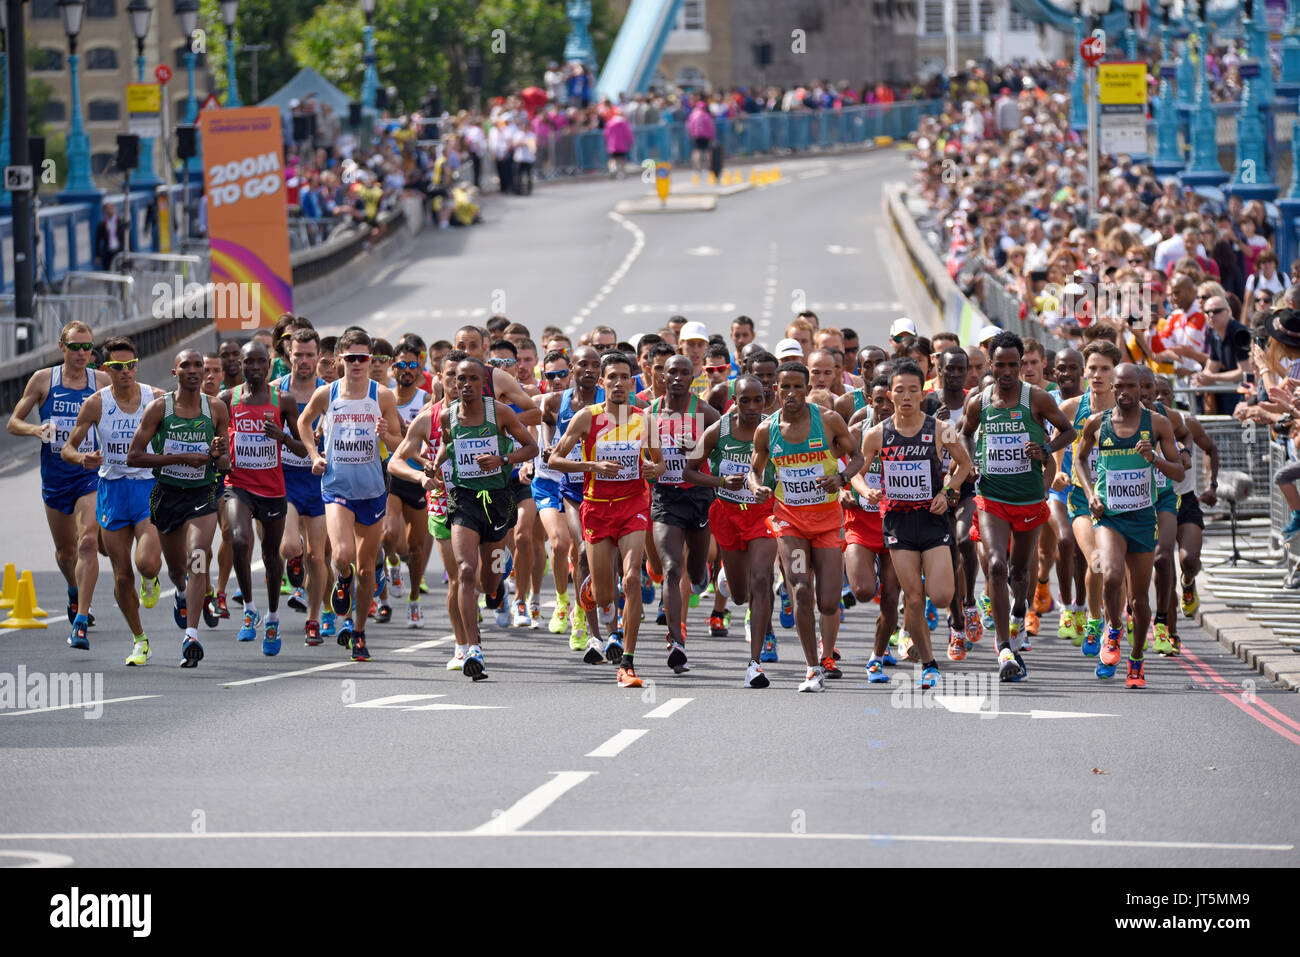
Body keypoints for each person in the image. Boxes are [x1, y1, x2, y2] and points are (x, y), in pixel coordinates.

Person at [960, 331, 1075, 682]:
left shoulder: (1036, 399)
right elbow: (965, 433)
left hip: (1028, 497)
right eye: (1002, 364)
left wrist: (1046, 449)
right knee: (996, 565)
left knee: (1019, 573)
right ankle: (1004, 647)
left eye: (1016, 364)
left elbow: (1069, 432)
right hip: (991, 496)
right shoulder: (979, 402)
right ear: (991, 364)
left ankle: (1020, 609)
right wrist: (973, 461)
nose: (1009, 371)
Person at [550, 352, 666, 688]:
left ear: (633, 382)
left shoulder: (645, 420)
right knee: (604, 595)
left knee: (630, 579)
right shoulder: (587, 417)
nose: (618, 383)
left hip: (633, 505)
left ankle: (626, 659)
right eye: (611, 377)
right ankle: (593, 600)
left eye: (624, 377)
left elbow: (659, 466)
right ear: (602, 382)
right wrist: (592, 467)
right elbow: (556, 459)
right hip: (596, 507)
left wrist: (652, 470)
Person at [750, 361, 862, 692]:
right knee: (800, 589)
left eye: (798, 387)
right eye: (784, 387)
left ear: (807, 387)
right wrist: (757, 486)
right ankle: (812, 667)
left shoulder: (827, 421)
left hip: (827, 523)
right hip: (790, 521)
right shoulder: (767, 429)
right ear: (776, 390)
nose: (791, 393)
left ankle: (824, 651)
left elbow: (856, 458)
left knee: (827, 602)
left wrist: (841, 478)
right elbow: (753, 469)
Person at [862, 361, 973, 685]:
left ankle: (922, 622)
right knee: (912, 597)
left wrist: (948, 491)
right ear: (890, 394)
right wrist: (866, 489)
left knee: (939, 596)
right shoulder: (876, 434)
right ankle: (929, 663)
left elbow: (964, 464)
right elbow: (857, 470)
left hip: (933, 519)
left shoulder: (941, 429)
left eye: (913, 390)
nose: (906, 396)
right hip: (898, 523)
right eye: (900, 390)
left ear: (922, 394)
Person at [298, 330, 406, 663]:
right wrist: (314, 455)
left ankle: (358, 633)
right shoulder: (326, 394)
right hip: (336, 487)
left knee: (366, 569)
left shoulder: (383, 396)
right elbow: (303, 423)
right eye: (350, 358)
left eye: (363, 358)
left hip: (373, 490)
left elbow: (400, 443)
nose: (357, 364)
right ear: (339, 360)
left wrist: (387, 436)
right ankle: (341, 580)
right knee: (342, 556)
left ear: (370, 360)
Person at [1074, 364, 1184, 688]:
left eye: (1130, 387)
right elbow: (1080, 459)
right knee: (1110, 574)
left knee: (1139, 599)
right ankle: (1112, 630)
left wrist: (1154, 460)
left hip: (1142, 518)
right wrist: (1090, 492)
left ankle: (1136, 661)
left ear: (1142, 388)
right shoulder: (1097, 423)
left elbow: (1178, 471)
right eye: (1117, 387)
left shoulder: (1158, 424)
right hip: (1109, 516)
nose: (1123, 393)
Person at [429, 358, 538, 680]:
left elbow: (531, 448)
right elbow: (450, 446)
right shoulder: (448, 417)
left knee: (489, 583)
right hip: (464, 500)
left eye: (472, 379)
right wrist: (434, 465)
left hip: (498, 501)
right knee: (464, 572)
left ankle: (500, 575)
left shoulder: (500, 413)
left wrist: (503, 459)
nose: (464, 385)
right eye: (460, 379)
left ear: (483, 383)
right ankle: (472, 648)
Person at [126, 350, 231, 667]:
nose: (194, 370)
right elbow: (135, 456)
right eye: (186, 365)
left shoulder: (216, 408)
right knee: (176, 569)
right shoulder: (159, 409)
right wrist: (180, 459)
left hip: (203, 492)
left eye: (198, 365)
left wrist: (218, 453)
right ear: (175, 372)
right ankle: (182, 592)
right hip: (167, 495)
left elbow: (224, 462)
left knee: (199, 556)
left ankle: (191, 635)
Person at [60, 336, 161, 664]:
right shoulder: (96, 404)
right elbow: (67, 447)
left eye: (131, 365)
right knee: (121, 575)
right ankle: (139, 639)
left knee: (146, 563)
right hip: (112, 491)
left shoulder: (154, 399)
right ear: (106, 369)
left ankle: (152, 578)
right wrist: (81, 459)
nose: (126, 371)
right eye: (118, 367)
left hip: (147, 489)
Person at [7, 321, 108, 635]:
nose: (82, 353)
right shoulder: (43, 380)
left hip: (88, 473)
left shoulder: (101, 380)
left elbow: (127, 410)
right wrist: (36, 429)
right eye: (75, 346)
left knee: (88, 540)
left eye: (87, 346)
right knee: (66, 551)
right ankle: (74, 590)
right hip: (55, 476)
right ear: (62, 347)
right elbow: (13, 422)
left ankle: (83, 613)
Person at [684, 375, 778, 687]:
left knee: (763, 579)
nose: (752, 407)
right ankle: (725, 577)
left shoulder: (773, 428)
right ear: (733, 401)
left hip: (764, 514)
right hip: (727, 514)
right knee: (739, 596)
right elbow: (689, 471)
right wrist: (721, 482)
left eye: (758, 400)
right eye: (744, 400)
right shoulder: (718, 431)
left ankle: (755, 663)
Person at [218, 341, 307, 656]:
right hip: (238, 485)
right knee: (239, 542)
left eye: (260, 363)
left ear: (269, 366)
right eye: (249, 363)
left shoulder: (283, 400)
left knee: (272, 557)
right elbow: (213, 440)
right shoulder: (226, 400)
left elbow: (302, 447)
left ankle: (272, 616)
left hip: (272, 489)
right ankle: (249, 609)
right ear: (240, 364)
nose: (255, 368)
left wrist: (281, 436)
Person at [648, 354, 721, 673]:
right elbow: (639, 453)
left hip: (698, 497)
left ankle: (703, 572)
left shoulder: (704, 412)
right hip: (665, 497)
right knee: (671, 567)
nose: (677, 378)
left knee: (694, 570)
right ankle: (676, 640)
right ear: (662, 376)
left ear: (693, 378)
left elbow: (725, 448)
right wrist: (650, 468)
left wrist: (696, 449)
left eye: (684, 373)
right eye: (671, 373)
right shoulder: (648, 412)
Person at [1057, 340, 1124, 655]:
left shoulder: (1128, 410)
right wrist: (1058, 469)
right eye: (1093, 368)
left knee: (1114, 568)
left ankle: (1113, 624)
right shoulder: (1072, 408)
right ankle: (1096, 619)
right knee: (1096, 561)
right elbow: (1055, 439)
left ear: (1115, 373)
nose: (1097, 375)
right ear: (1085, 371)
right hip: (1083, 500)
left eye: (1105, 369)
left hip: (1121, 502)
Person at [533, 347, 603, 648]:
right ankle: (580, 615)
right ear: (573, 368)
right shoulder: (555, 401)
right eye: (582, 365)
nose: (588, 370)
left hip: (604, 488)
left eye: (595, 365)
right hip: (572, 488)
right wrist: (549, 446)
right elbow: (547, 420)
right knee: (580, 550)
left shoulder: (608, 400)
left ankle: (604, 608)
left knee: (602, 557)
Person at [277, 329, 331, 644]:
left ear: (318, 356)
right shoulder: (276, 391)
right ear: (289, 355)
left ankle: (314, 618)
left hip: (321, 481)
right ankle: (293, 569)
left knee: (319, 556)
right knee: (289, 547)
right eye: (299, 355)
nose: (305, 361)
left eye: (311, 355)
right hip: (285, 478)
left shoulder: (329, 392)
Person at [384, 341, 432, 628]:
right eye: (400, 365)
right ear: (393, 368)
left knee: (415, 548)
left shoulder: (426, 401)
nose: (406, 370)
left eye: (412, 365)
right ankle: (392, 566)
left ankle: (414, 600)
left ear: (419, 369)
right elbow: (387, 441)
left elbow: (427, 442)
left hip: (420, 478)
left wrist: (404, 433)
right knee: (388, 534)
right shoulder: (385, 399)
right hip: (393, 474)